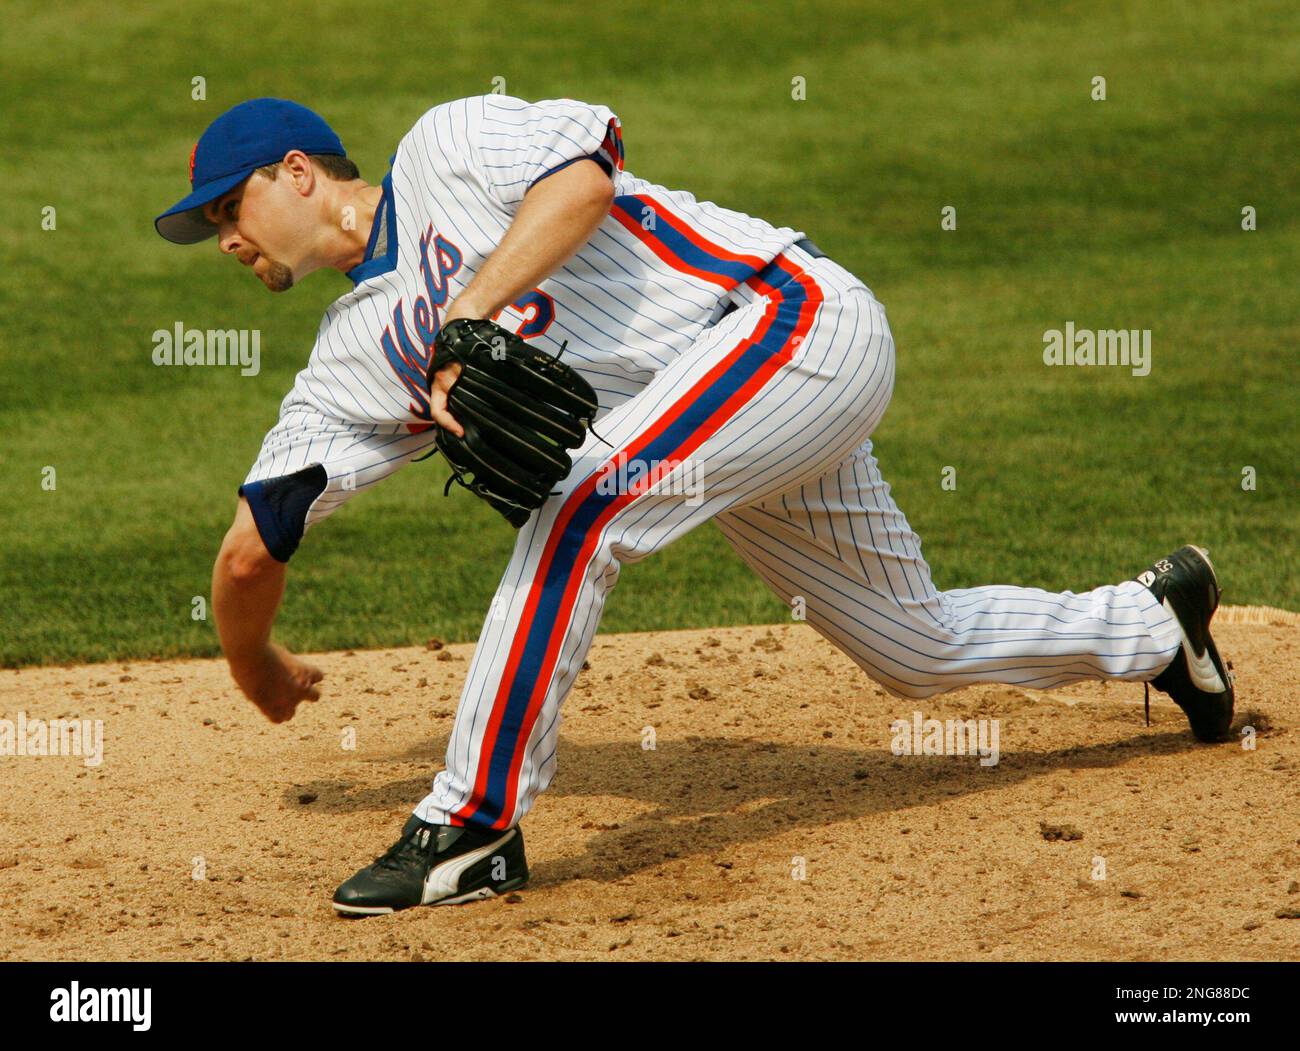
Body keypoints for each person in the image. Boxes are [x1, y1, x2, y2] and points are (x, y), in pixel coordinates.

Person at [155, 96, 1235, 917]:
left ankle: (471, 824)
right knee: (916, 645)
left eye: (226, 208)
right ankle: (1157, 626)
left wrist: (469, 315)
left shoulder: (445, 145)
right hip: (728, 414)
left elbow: (586, 173)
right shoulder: (350, 360)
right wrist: (253, 658)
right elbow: (253, 546)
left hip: (792, 321)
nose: (224, 240)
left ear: (297, 172)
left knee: (580, 513)